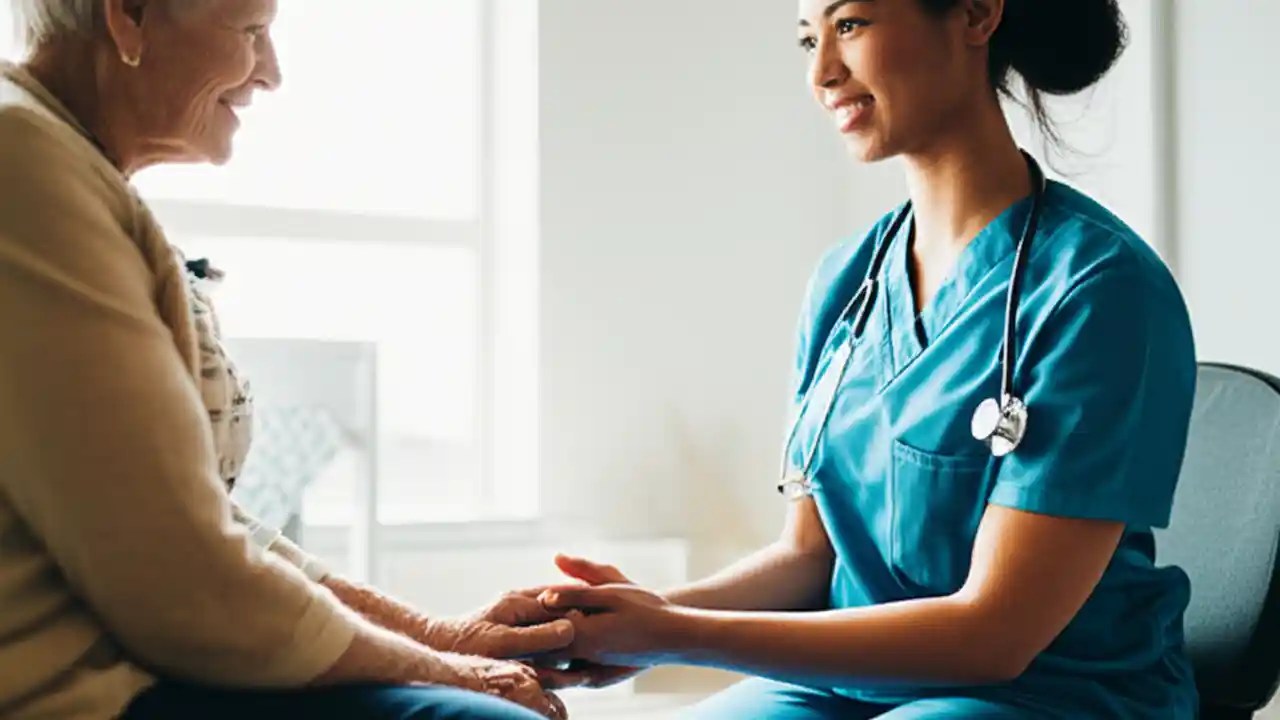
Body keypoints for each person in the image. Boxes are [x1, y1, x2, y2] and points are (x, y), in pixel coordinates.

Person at [537, 0, 1199, 717]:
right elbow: (809, 560)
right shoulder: (845, 282)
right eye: (807, 38)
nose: (822, 72)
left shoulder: (1097, 289)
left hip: (1048, 692)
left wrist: (675, 634)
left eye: (849, 25)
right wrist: (618, 620)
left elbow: (994, 637)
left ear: (975, 14)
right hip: (845, 686)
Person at [0, 1, 569, 718]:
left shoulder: (63, 164)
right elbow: (185, 580)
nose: (270, 73)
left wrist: (441, 635)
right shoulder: (24, 164)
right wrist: (449, 670)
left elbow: (209, 531)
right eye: (250, 32)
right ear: (129, 17)